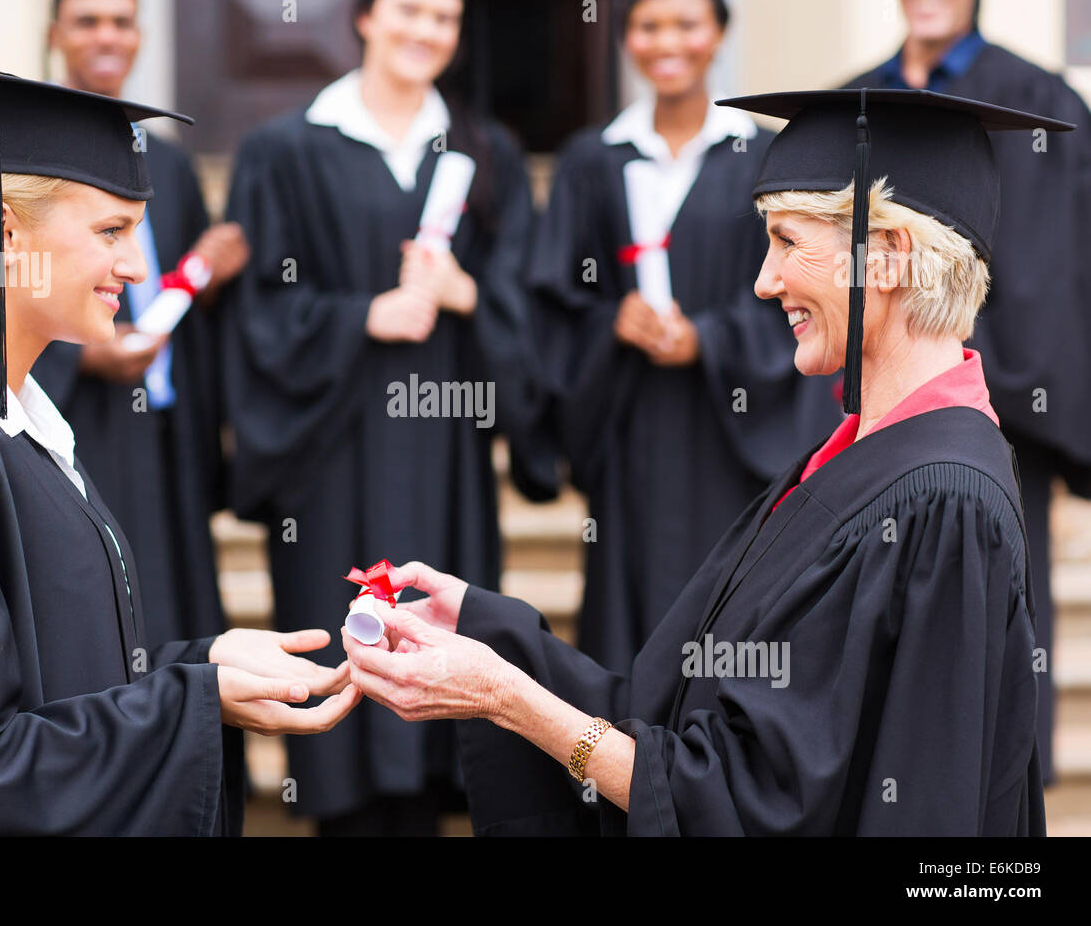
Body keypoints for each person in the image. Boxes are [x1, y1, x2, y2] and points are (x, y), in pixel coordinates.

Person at [342, 88, 1068, 835]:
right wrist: (485, 630)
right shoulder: (851, 460)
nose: (764, 280)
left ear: (884, 257)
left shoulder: (943, 502)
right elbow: (680, 713)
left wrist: (510, 701)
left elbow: (761, 803)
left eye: (788, 242)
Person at [0, 63, 358, 835]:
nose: (136, 265)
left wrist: (202, 666)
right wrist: (192, 702)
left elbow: (53, 691)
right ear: (2, 235)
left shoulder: (23, 433)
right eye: (110, 232)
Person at [222, 0, 545, 835]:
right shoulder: (282, 151)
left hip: (445, 456)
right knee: (347, 655)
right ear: (365, 16)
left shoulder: (486, 153)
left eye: (445, 16)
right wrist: (364, 314)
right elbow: (256, 312)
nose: (427, 29)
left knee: (446, 646)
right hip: (331, 459)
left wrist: (470, 296)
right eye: (410, 9)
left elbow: (533, 301)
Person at [531, 0, 840, 671]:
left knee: (735, 602)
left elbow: (806, 286)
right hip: (630, 433)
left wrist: (707, 338)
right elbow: (553, 303)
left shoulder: (766, 155)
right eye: (648, 26)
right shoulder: (592, 160)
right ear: (625, 37)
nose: (666, 42)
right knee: (632, 623)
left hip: (733, 437)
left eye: (687, 24)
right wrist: (614, 322)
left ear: (719, 35)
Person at [843, 0, 1091, 786]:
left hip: (1009, 412)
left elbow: (1071, 268)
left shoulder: (1046, 104)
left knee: (1002, 615)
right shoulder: (854, 102)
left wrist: (1011, 385)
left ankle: (999, 803)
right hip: (871, 409)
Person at [12, 0, 251, 648]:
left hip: (165, 428)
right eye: (87, 22)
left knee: (173, 598)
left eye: (121, 21)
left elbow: (164, 293)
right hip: (72, 419)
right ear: (55, 34)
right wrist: (83, 353)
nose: (107, 37)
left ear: (142, 34)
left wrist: (204, 280)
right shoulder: (24, 160)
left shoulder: (169, 164)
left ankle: (183, 741)